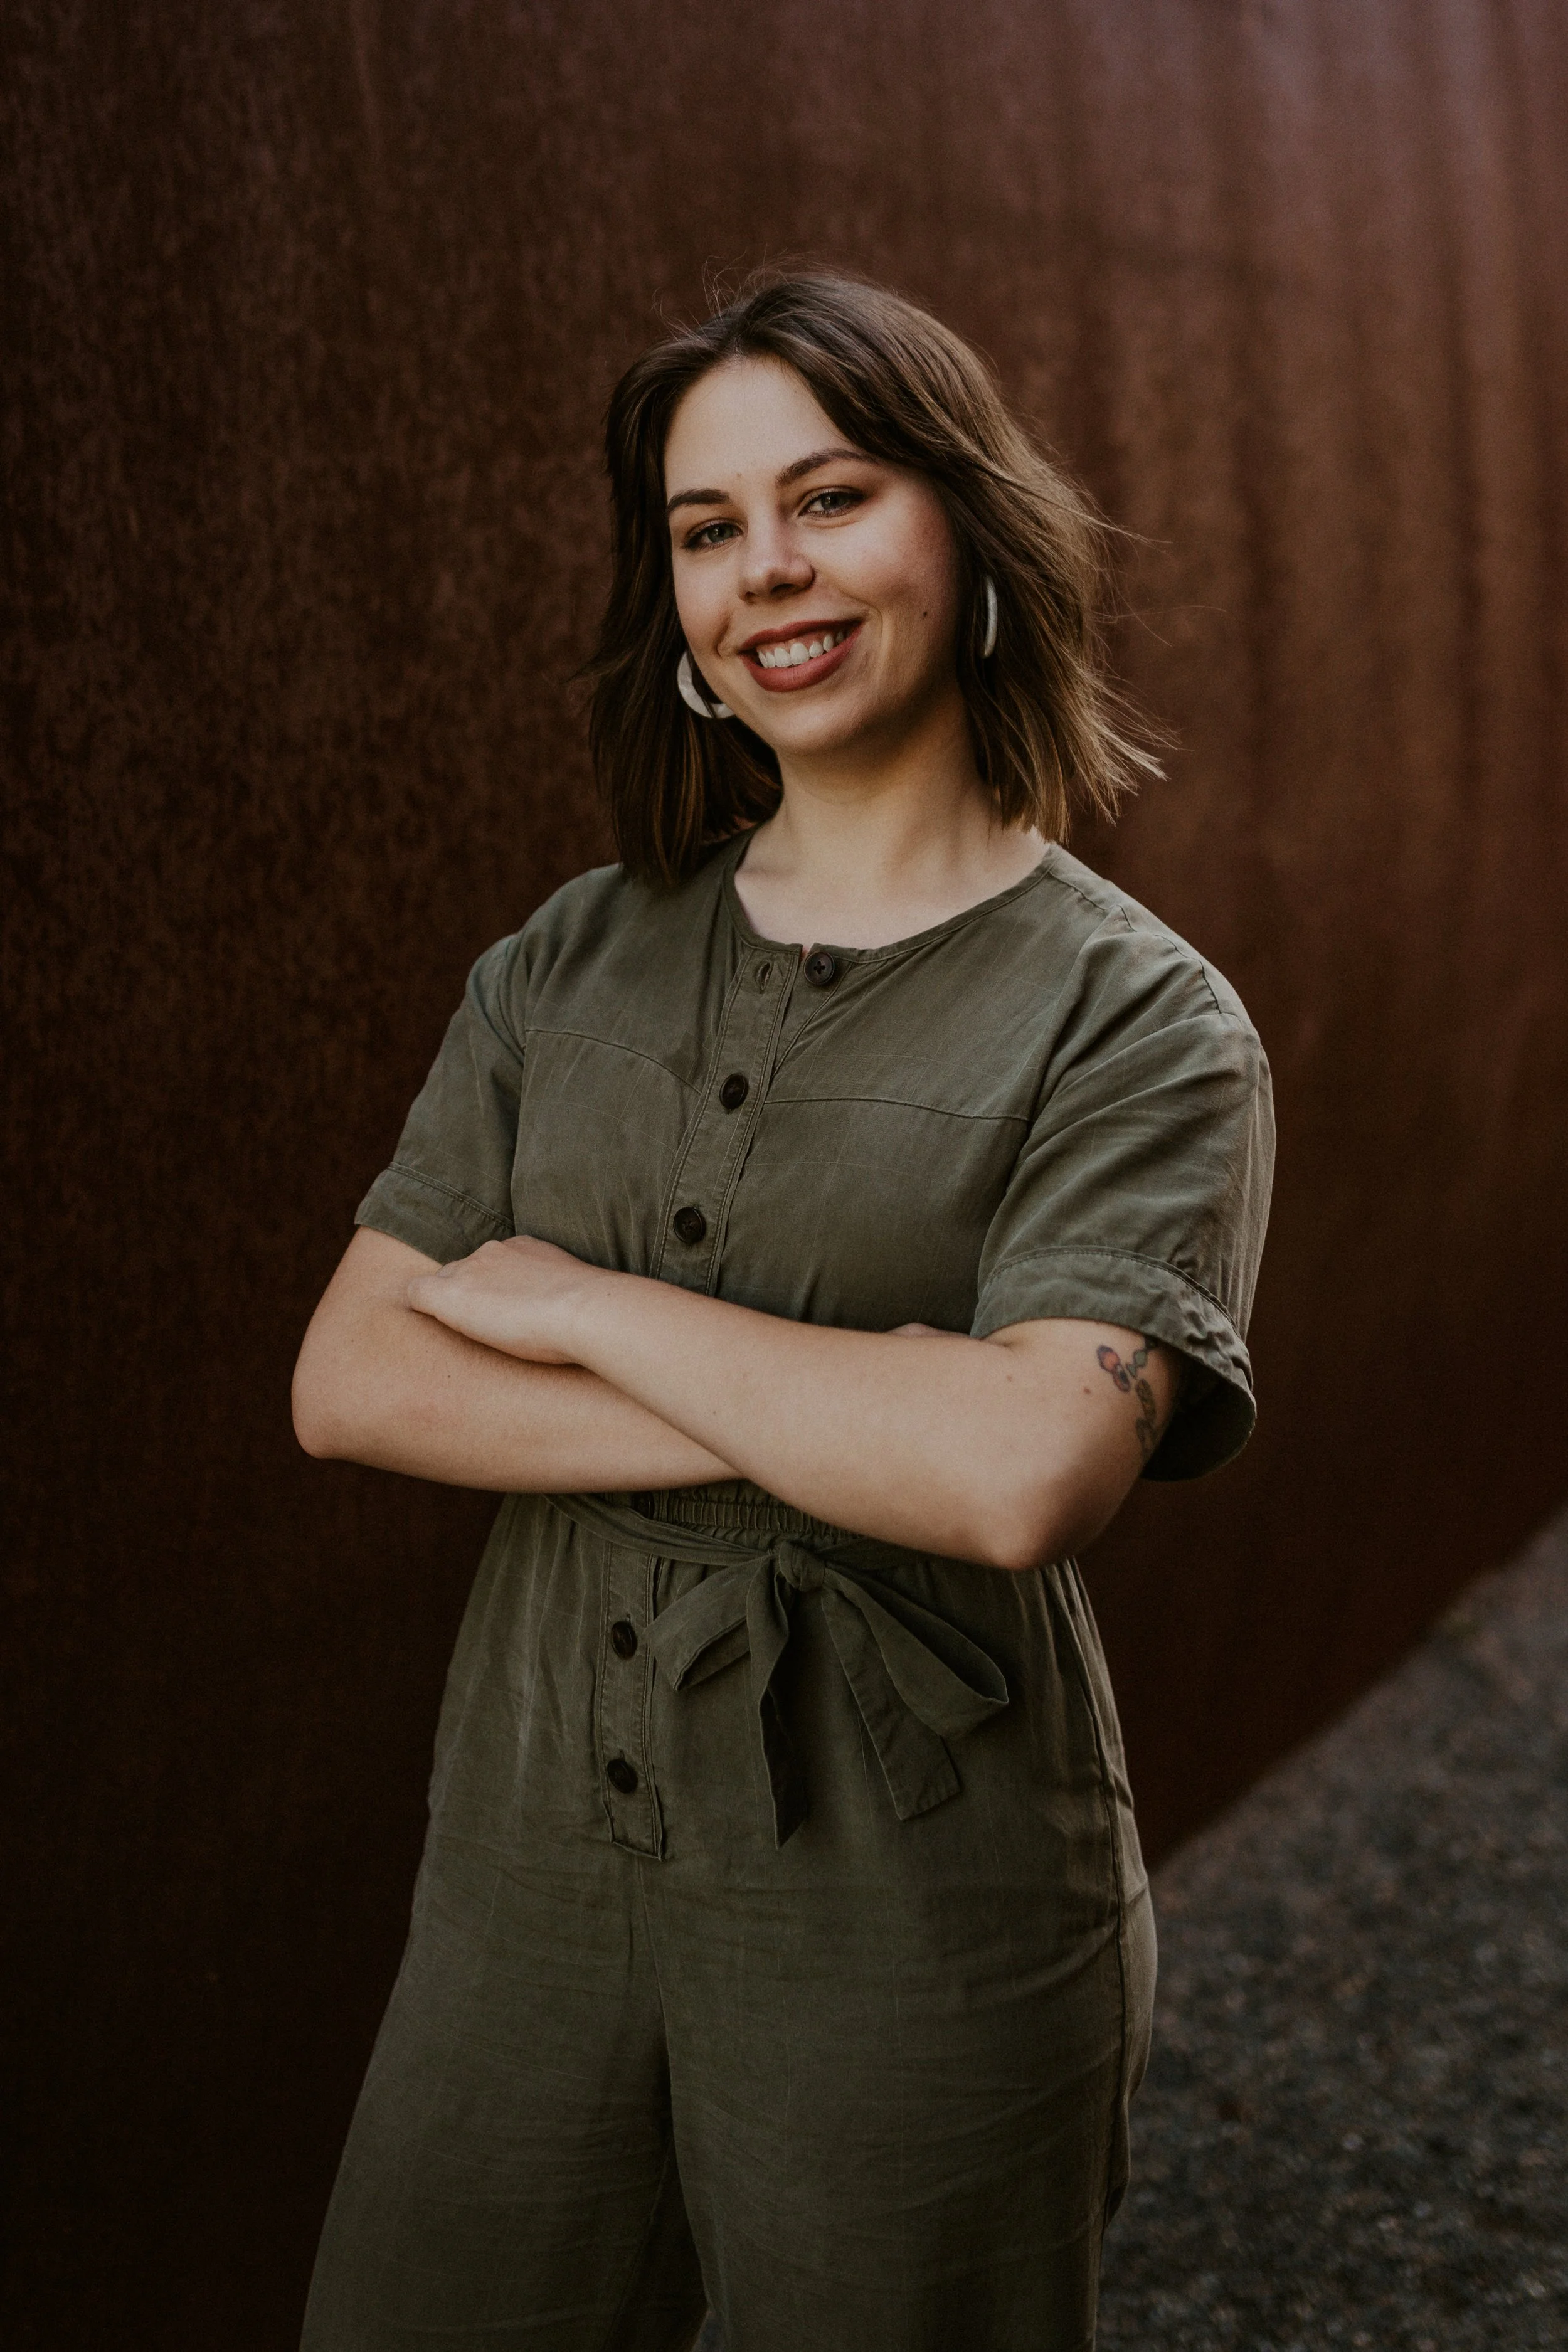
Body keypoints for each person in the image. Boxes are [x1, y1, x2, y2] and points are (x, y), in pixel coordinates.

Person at [292, 272, 1274, 2352]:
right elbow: (353, 1376)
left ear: (965, 531)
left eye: (826, 496)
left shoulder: (1139, 1022)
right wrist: (858, 1409)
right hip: (525, 1861)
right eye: (705, 527)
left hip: (920, 1905)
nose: (768, 574)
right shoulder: (566, 959)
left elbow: (1018, 1481)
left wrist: (570, 1306)